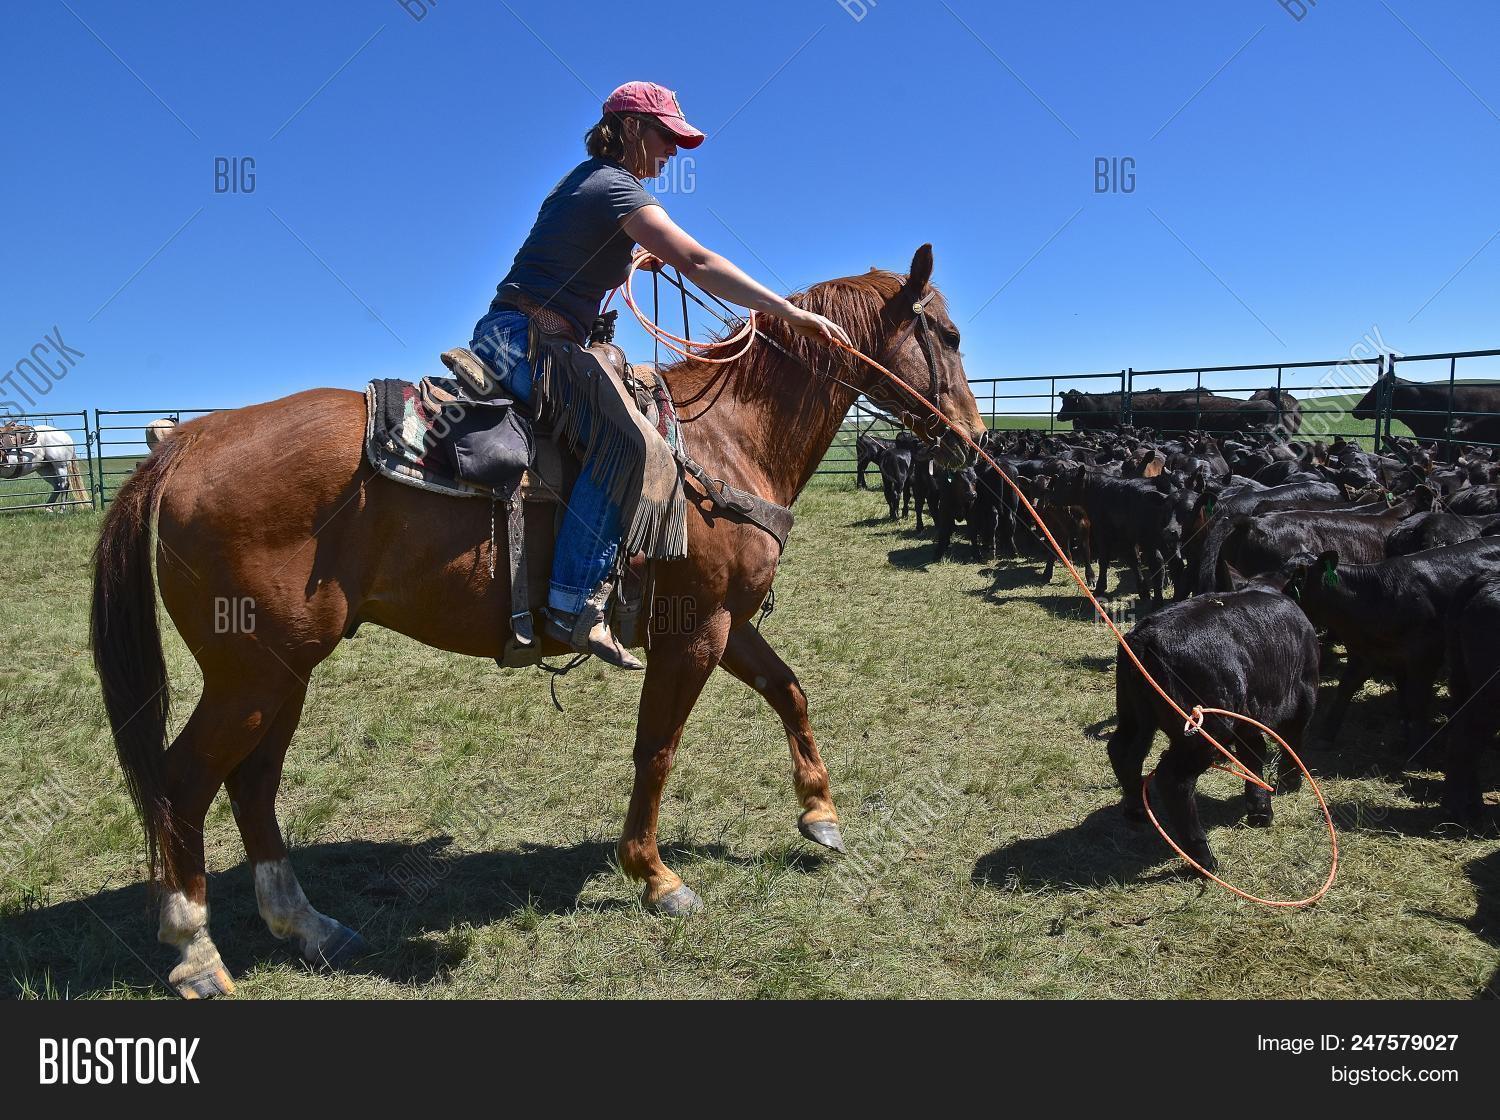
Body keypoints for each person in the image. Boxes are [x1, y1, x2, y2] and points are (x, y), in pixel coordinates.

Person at [471, 80, 851, 669]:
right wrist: (792, 314)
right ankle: (572, 603)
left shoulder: (584, 185)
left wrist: (631, 253)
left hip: (516, 335)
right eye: (665, 136)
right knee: (630, 444)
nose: (673, 152)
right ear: (628, 130)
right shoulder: (613, 188)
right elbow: (699, 261)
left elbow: (576, 248)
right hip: (526, 342)